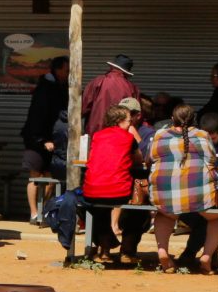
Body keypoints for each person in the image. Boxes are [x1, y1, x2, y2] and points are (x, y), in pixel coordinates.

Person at [149, 104, 218, 273]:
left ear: (172, 119)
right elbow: (212, 160)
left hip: (165, 195)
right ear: (195, 120)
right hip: (199, 196)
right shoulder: (203, 135)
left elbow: (150, 157)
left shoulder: (159, 135)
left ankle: (163, 251)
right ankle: (207, 255)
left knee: (165, 215)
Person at [81, 105, 146, 265]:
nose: (131, 125)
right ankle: (127, 251)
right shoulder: (128, 138)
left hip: (91, 190)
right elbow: (139, 159)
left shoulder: (97, 136)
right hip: (119, 190)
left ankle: (105, 251)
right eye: (129, 121)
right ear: (119, 121)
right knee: (141, 210)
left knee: (100, 209)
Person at [20, 56, 70, 224]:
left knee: (50, 178)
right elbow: (37, 115)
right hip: (36, 140)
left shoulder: (63, 87)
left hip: (54, 140)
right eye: (66, 69)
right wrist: (41, 140)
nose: (69, 73)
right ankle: (34, 213)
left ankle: (45, 210)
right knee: (35, 176)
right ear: (57, 69)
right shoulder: (46, 88)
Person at [80, 54, 139, 133]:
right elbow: (137, 115)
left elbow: (83, 107)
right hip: (119, 133)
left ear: (112, 67)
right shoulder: (132, 88)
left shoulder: (97, 82)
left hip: (96, 131)